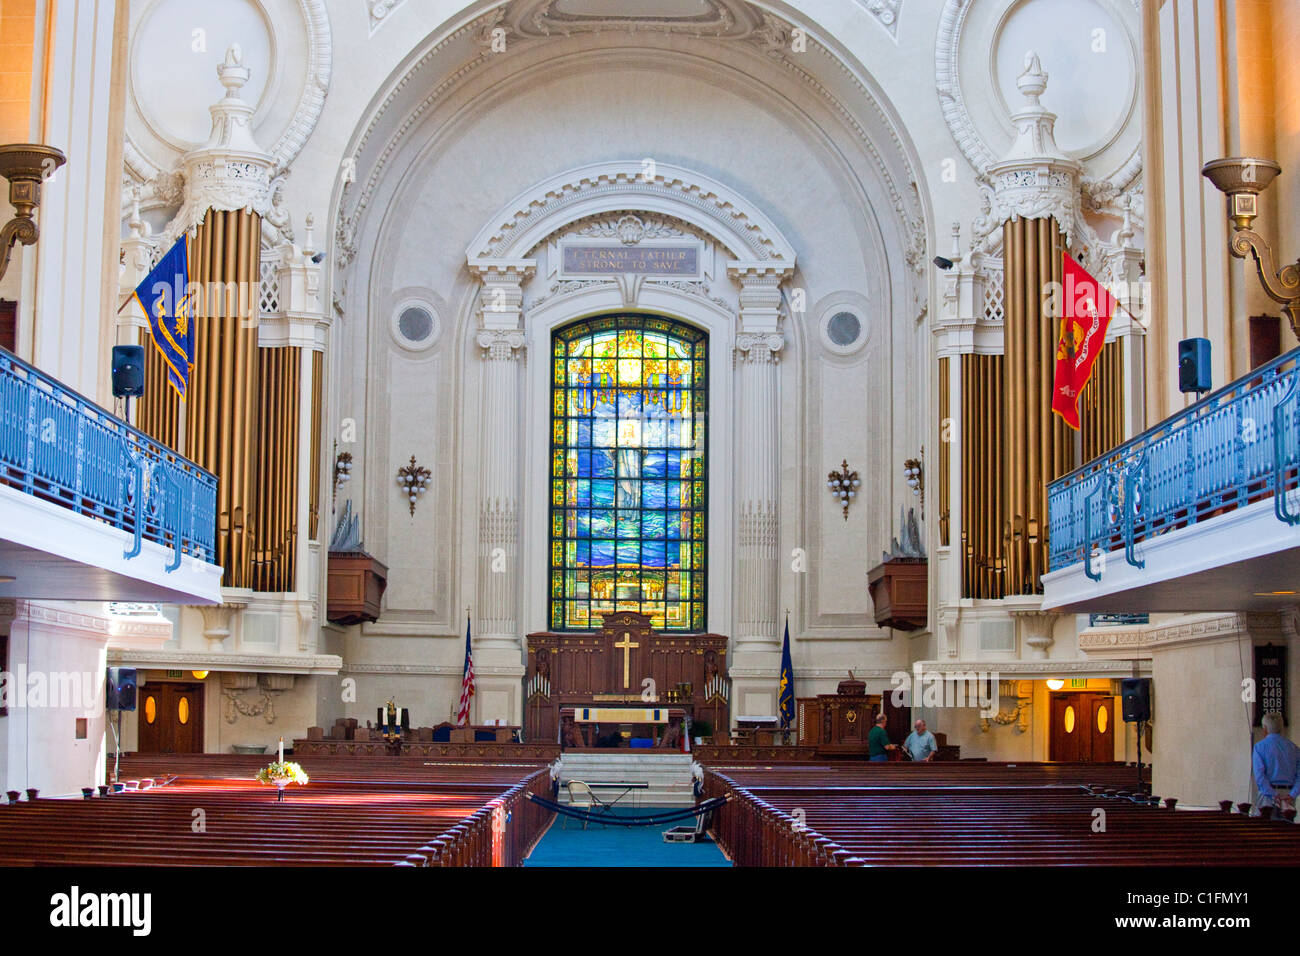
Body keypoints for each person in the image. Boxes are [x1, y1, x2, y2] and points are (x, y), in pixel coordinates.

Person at [1252, 712, 1300, 812]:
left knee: (1265, 826)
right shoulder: (1294, 748)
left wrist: (1274, 795)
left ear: (1264, 728)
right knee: (1285, 826)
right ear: (1281, 728)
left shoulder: (1259, 747)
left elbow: (1260, 777)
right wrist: (1292, 794)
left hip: (1268, 795)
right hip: (1288, 794)